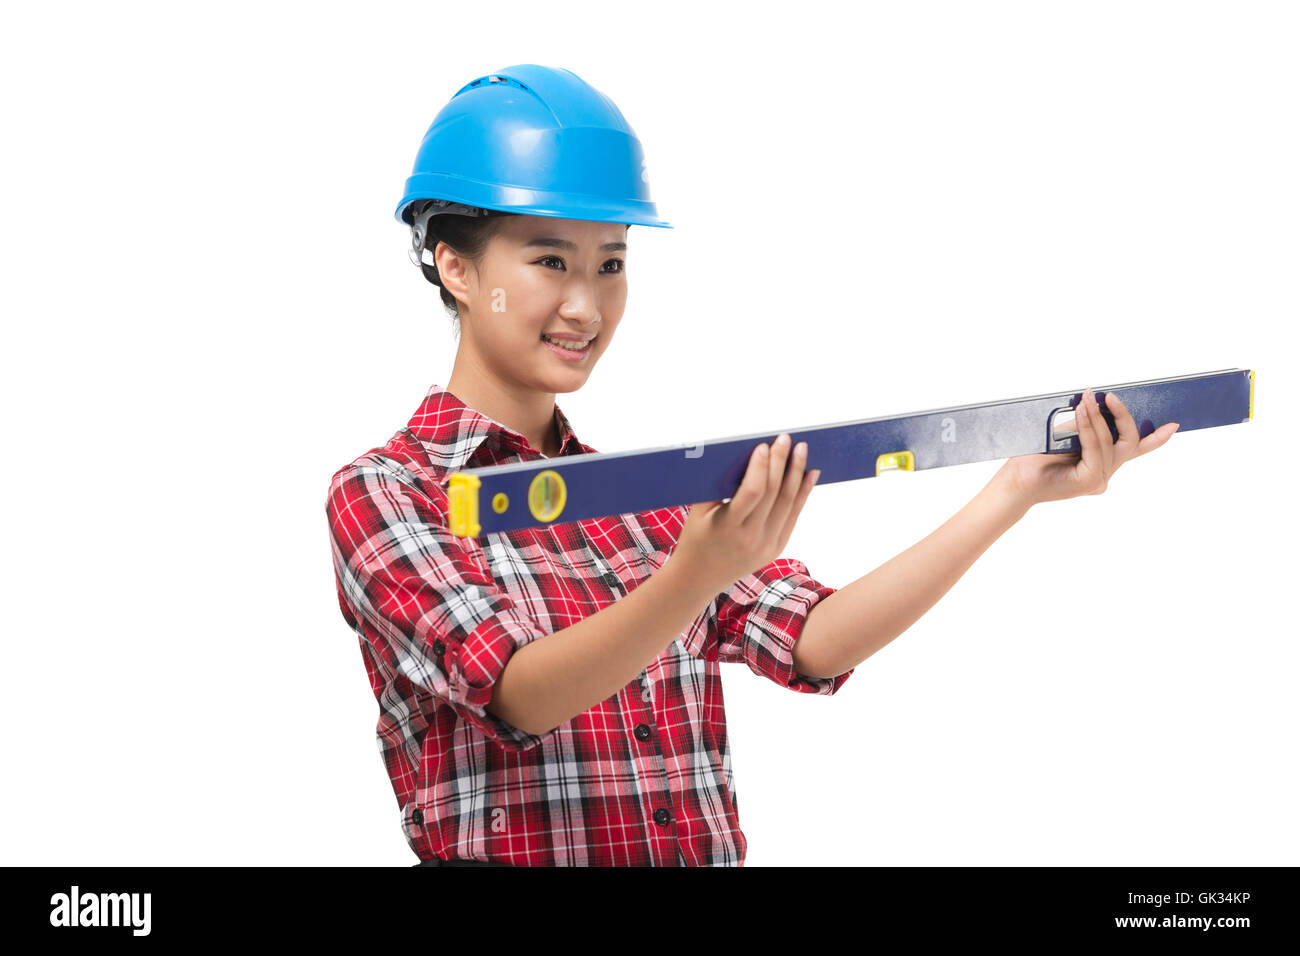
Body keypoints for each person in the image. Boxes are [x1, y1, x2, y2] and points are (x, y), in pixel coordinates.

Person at [324, 64, 1180, 868]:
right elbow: (518, 694)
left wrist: (1013, 493)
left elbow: (811, 640)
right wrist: (693, 578)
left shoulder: (642, 505)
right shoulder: (390, 493)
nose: (586, 305)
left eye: (611, 264)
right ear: (456, 265)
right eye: (550, 261)